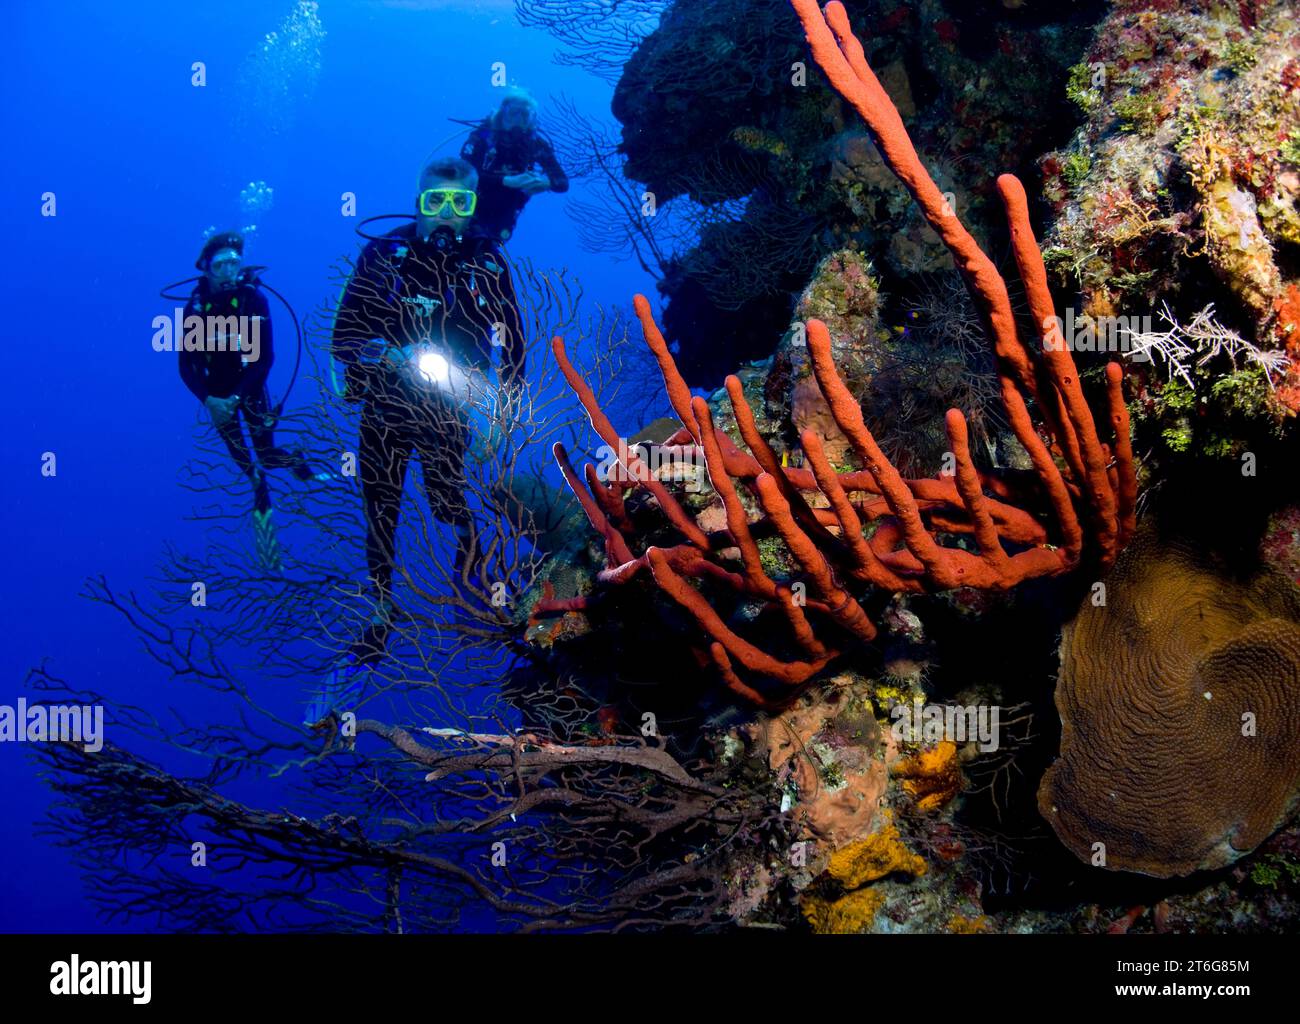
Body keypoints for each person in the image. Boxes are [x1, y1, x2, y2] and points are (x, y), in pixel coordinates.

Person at [329, 157, 525, 670]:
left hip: (451, 408)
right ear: (418, 203)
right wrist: (384, 354)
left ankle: (474, 575)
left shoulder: (488, 262)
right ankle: (379, 609)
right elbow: (343, 337)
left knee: (446, 498)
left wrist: (500, 415)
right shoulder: (383, 256)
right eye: (434, 201)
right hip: (387, 406)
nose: (446, 213)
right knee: (380, 508)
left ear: (472, 208)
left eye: (459, 203)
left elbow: (516, 347)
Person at [181, 232, 318, 526]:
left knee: (266, 455)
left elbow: (266, 358)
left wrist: (235, 398)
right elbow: (185, 367)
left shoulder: (253, 299)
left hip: (250, 387)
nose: (229, 272)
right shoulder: (193, 308)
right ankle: (258, 485)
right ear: (205, 267)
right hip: (217, 393)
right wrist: (209, 400)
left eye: (234, 263)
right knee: (242, 457)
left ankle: (293, 460)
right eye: (220, 265)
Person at [459, 87, 568, 242]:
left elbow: (562, 182)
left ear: (532, 118)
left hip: (506, 212)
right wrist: (506, 181)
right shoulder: (482, 137)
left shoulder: (535, 144)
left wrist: (545, 183)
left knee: (488, 252)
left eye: (524, 114)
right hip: (471, 207)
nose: (518, 119)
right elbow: (463, 175)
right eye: (513, 113)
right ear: (503, 113)